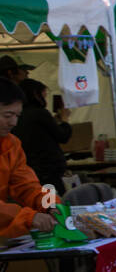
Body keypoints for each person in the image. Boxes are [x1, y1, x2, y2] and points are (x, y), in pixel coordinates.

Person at [1, 79, 60, 237]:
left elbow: (27, 185)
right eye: (8, 115)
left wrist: (51, 204)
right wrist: (29, 217)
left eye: (17, 115)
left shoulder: (11, 144)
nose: (13, 122)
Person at [11, 77, 71, 195]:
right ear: (35, 94)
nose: (45, 100)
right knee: (53, 204)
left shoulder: (19, 115)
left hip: (30, 169)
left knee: (43, 201)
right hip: (48, 171)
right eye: (43, 96)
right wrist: (65, 120)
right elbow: (63, 136)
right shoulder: (40, 113)